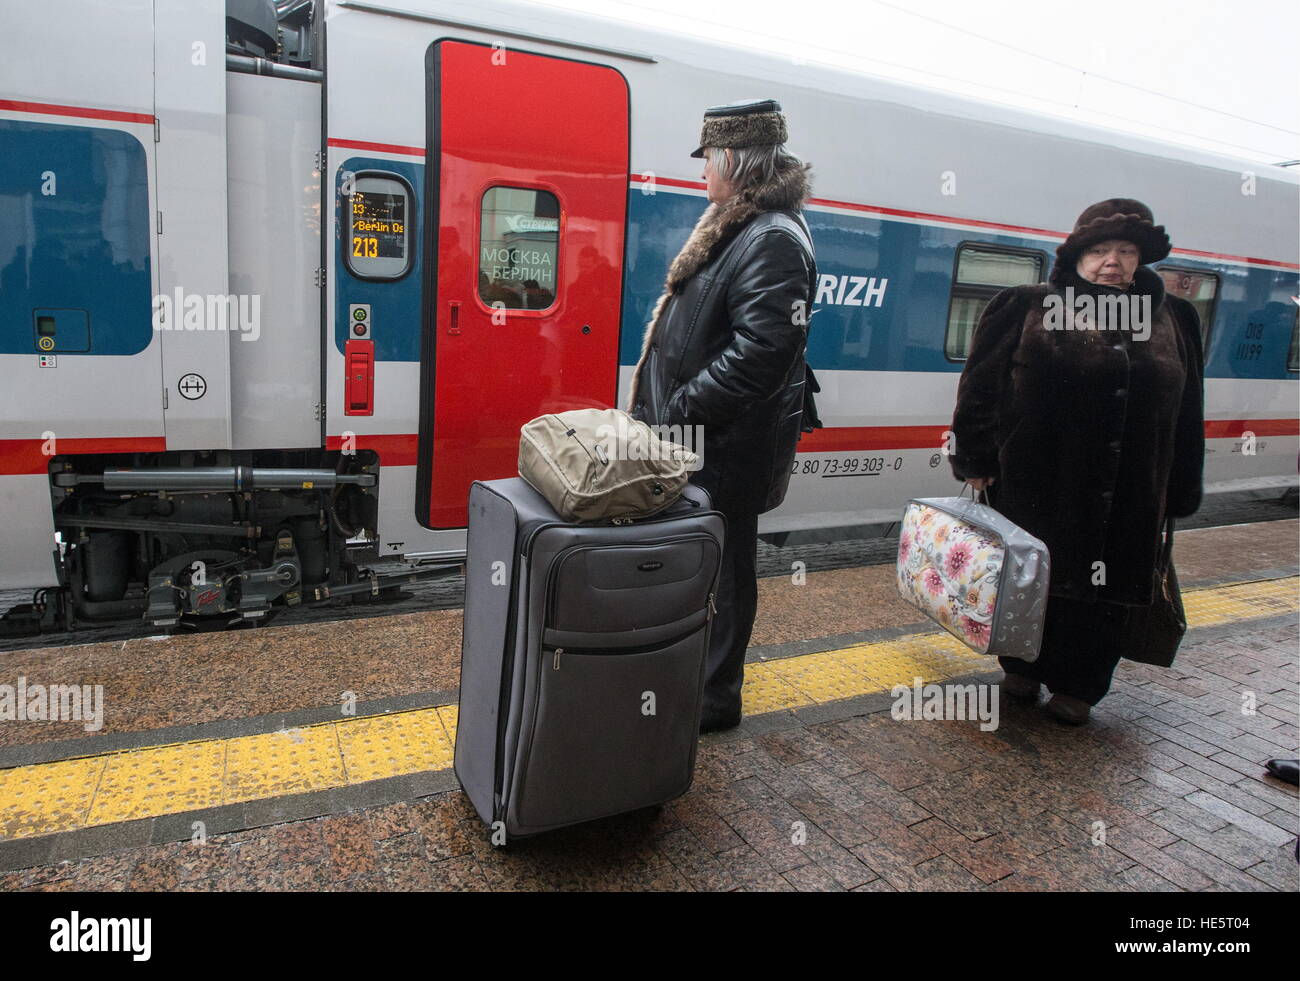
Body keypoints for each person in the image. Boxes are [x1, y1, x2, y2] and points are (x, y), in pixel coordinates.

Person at [950, 198, 1205, 725]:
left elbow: (1188, 408)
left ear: (1142, 259)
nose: (1112, 261)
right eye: (1100, 250)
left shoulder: (1174, 318)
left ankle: (1082, 686)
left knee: (1105, 591)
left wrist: (1179, 486)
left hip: (1132, 484)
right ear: (1078, 255)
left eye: (1127, 250)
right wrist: (975, 456)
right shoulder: (1026, 305)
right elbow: (979, 388)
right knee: (1032, 577)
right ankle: (1019, 665)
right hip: (1039, 476)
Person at [628, 99, 817, 733]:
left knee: (726, 570)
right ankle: (695, 682)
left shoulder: (772, 237)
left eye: (708, 157)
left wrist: (679, 409)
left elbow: (763, 351)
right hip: (703, 437)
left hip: (725, 444)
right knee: (706, 560)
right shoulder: (742, 224)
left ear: (732, 159)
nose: (702, 170)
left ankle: (713, 700)